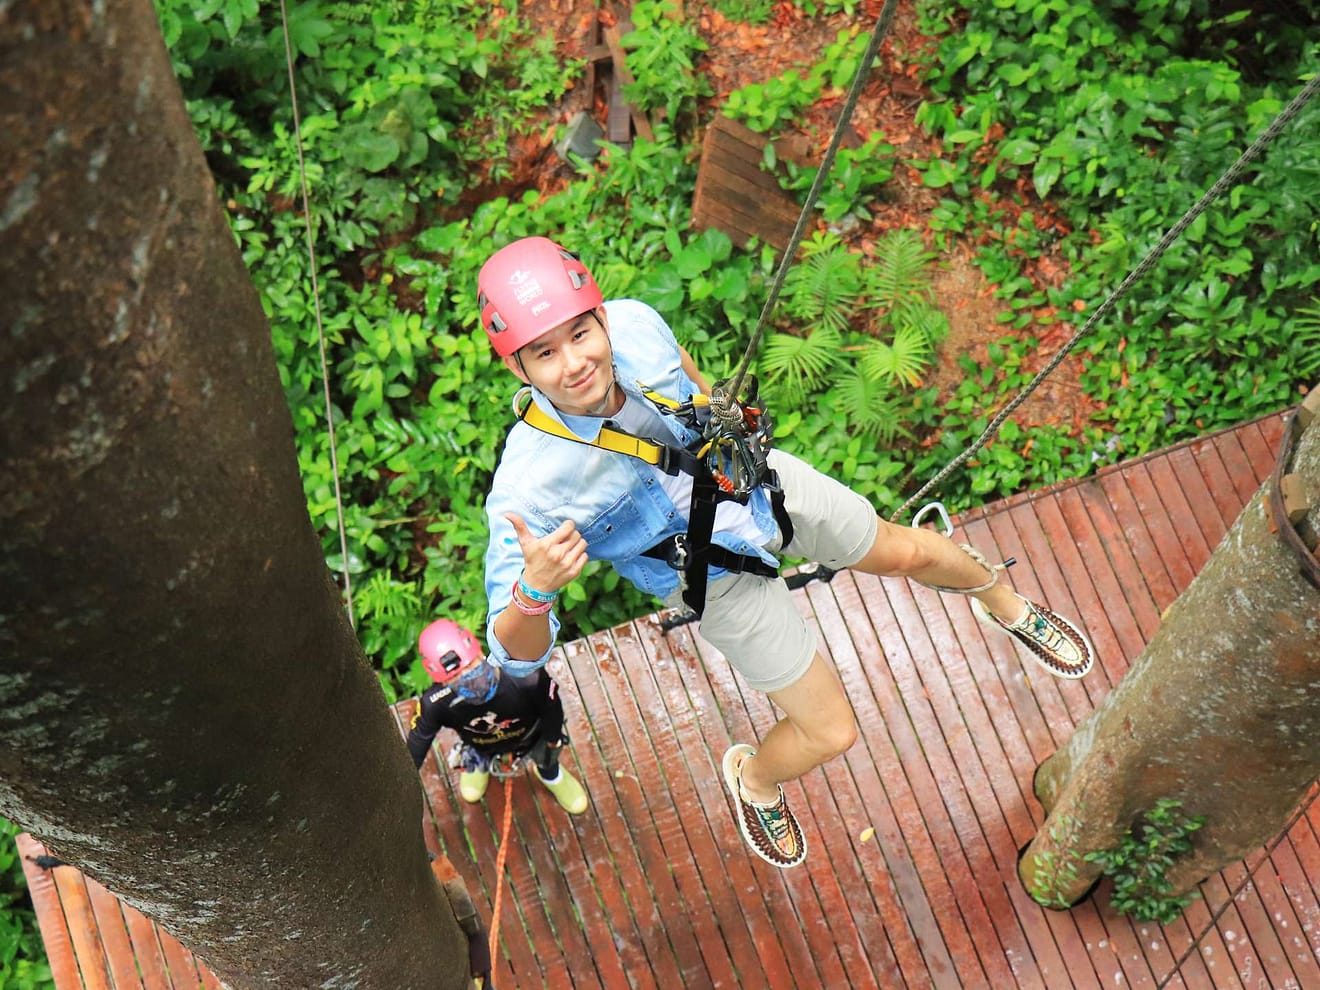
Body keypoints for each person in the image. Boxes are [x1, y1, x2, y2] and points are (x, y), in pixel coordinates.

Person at [474, 236, 1094, 868]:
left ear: (602, 318)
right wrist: (538, 587)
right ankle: (754, 779)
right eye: (544, 354)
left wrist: (720, 410)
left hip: (758, 488)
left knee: (904, 551)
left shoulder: (635, 322)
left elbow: (685, 373)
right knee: (831, 732)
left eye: (580, 334)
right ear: (518, 369)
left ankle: (1001, 599)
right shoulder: (529, 490)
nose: (573, 363)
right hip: (708, 573)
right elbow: (513, 651)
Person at [405, 618, 588, 815]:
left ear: (480, 652)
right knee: (474, 774)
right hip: (480, 744)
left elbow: (551, 709)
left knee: (547, 758)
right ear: (441, 682)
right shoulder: (435, 704)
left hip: (532, 737)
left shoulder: (525, 677)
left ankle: (550, 773)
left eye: (471, 668)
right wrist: (399, 784)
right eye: (455, 678)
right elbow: (416, 745)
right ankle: (478, 765)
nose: (470, 681)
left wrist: (553, 740)